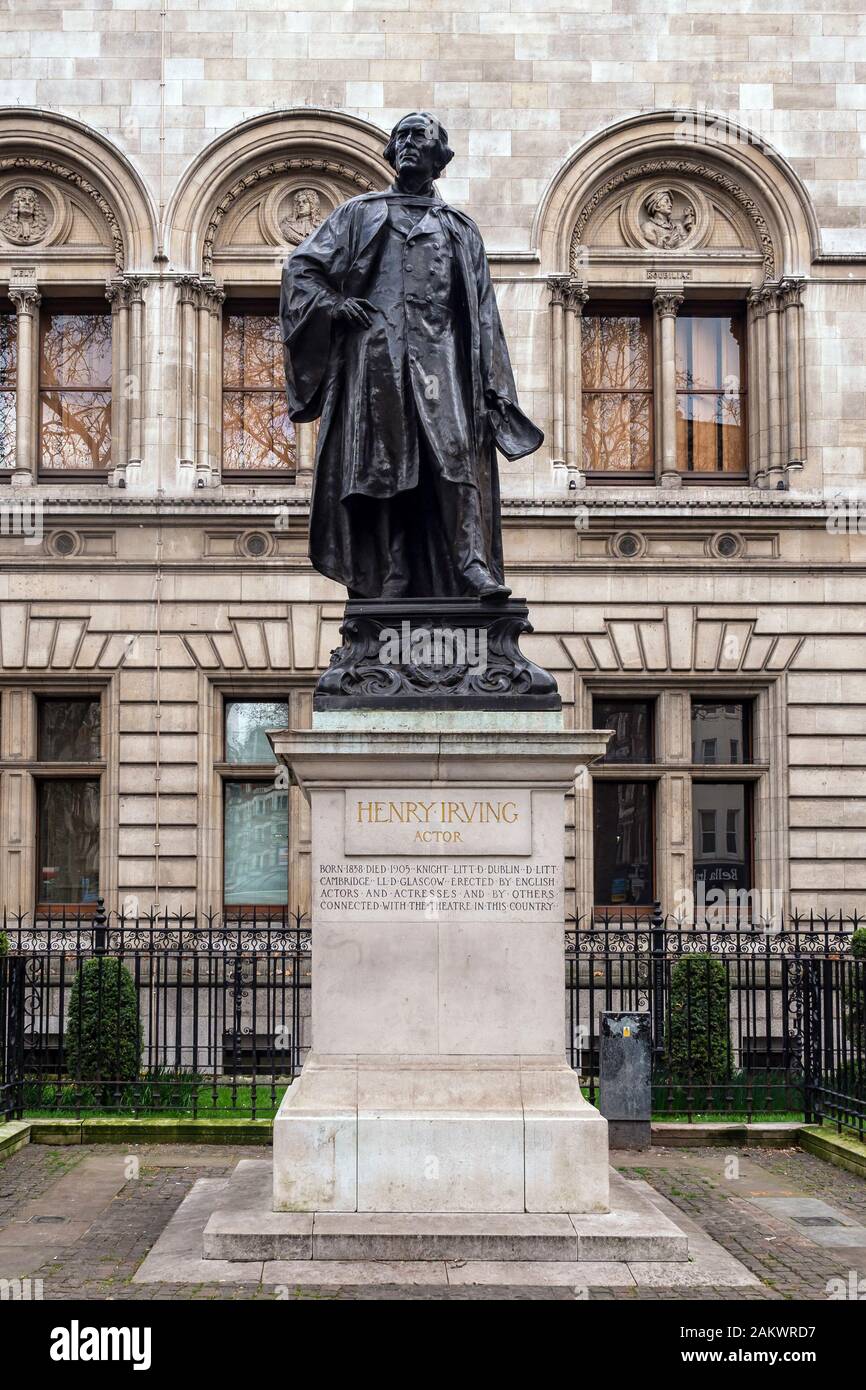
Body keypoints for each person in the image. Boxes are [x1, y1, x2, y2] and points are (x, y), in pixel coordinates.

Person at [280, 111, 543, 599]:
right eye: (400, 136)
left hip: (443, 365)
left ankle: (471, 565)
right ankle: (394, 571)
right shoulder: (359, 213)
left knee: (455, 459)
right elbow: (301, 271)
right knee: (387, 466)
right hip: (377, 361)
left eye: (419, 136)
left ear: (439, 157)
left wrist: (495, 389)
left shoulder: (459, 227)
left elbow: (484, 313)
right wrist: (335, 305)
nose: (407, 143)